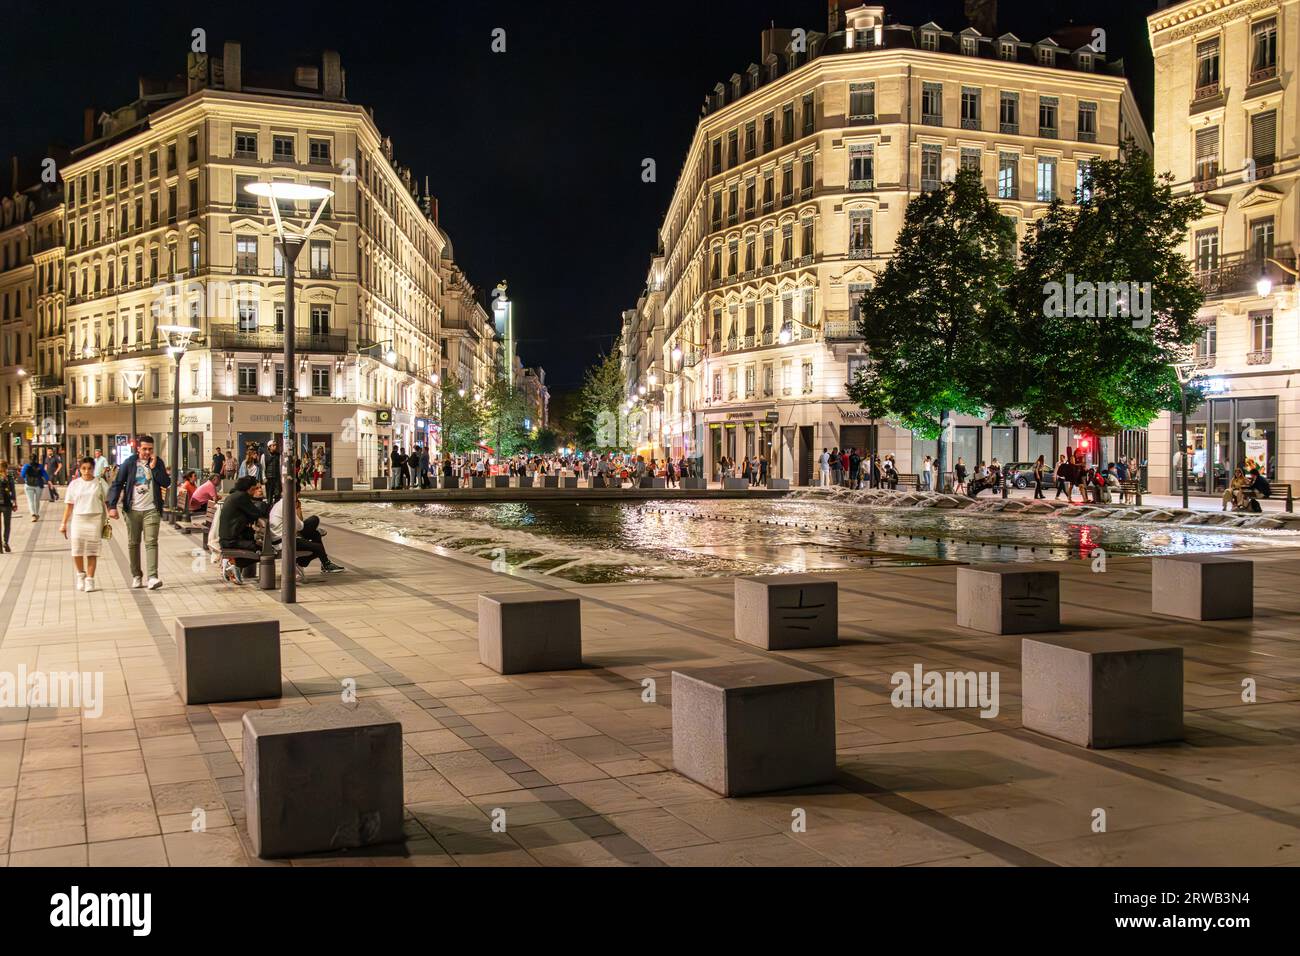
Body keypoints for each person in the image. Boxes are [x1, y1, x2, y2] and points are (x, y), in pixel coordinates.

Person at [107, 434, 171, 590]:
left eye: (150, 449)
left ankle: (152, 577)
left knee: (151, 543)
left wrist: (155, 468)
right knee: (133, 543)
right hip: (132, 510)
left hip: (152, 509)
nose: (147, 452)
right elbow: (117, 484)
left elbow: (166, 482)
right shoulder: (129, 463)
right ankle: (136, 575)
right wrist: (112, 506)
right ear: (138, 448)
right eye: (144, 449)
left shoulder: (157, 462)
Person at [271, 482, 346, 580]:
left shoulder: (280, 503)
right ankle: (300, 562)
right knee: (315, 523)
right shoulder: (287, 505)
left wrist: (297, 508)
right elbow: (300, 526)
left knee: (315, 534)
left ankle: (325, 564)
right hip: (285, 541)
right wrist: (297, 508)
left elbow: (297, 525)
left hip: (280, 539)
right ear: (296, 493)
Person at [60, 456, 110, 593]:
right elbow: (69, 506)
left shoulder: (100, 483)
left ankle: (90, 579)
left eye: (89, 468)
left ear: (94, 469)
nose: (87, 471)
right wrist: (63, 523)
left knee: (92, 551)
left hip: (95, 519)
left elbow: (108, 500)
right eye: (84, 468)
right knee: (77, 549)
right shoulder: (74, 484)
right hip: (78, 519)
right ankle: (80, 575)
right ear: (79, 469)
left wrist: (112, 512)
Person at [217, 476, 269, 585]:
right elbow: (256, 513)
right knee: (264, 551)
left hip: (227, 538)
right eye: (254, 488)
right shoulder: (242, 497)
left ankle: (233, 566)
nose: (255, 491)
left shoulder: (234, 495)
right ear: (249, 488)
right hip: (231, 540)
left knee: (259, 547)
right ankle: (234, 565)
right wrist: (262, 504)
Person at [20, 453, 48, 521]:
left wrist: (26, 478)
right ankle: (37, 514)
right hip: (38, 485)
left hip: (28, 485)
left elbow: (22, 475)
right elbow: (45, 474)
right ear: (36, 459)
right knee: (37, 501)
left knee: (30, 501)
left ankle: (33, 515)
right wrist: (49, 481)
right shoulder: (40, 466)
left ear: (29, 459)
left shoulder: (26, 466)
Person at [0, 459, 16, 552]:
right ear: (6, 467)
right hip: (6, 503)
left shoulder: (9, 477)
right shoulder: (9, 477)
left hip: (4, 503)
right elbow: (13, 491)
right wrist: (15, 503)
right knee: (7, 524)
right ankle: (5, 542)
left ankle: (0, 545)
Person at [261, 439, 282, 505]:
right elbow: (263, 467)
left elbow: (280, 467)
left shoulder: (279, 455)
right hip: (268, 478)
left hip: (277, 477)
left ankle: (276, 506)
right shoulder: (264, 455)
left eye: (275, 445)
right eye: (273, 445)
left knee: (277, 494)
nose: (275, 446)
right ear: (269, 447)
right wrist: (264, 477)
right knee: (269, 495)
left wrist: (281, 478)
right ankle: (269, 508)